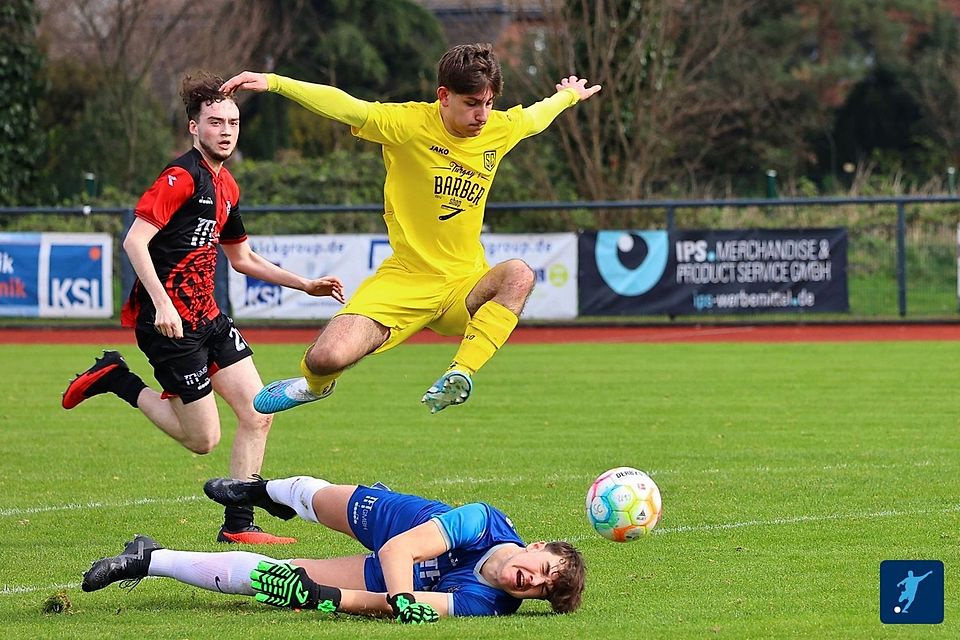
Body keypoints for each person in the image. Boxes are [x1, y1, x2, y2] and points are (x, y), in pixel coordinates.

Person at [218, 43, 601, 415]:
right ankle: (313, 387)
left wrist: (567, 96)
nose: (482, 115)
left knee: (519, 273)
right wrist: (276, 82)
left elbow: (536, 116)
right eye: (472, 104)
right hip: (405, 280)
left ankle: (460, 373)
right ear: (444, 96)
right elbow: (346, 106)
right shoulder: (407, 124)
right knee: (325, 357)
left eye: (488, 103)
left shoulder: (498, 129)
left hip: (463, 285)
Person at [62, 72, 345, 545]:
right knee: (203, 441)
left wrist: (305, 285)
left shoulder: (227, 186)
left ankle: (238, 525)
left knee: (258, 413)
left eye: (233, 122)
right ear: (194, 127)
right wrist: (162, 304)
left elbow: (242, 258)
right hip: (168, 326)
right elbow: (135, 241)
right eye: (215, 122)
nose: (226, 131)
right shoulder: (179, 177)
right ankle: (117, 378)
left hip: (209, 319)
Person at [81, 474, 586, 620]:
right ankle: (262, 491)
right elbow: (397, 557)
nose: (533, 581)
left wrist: (320, 596)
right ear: (535, 545)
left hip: (404, 580)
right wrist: (402, 603)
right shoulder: (483, 521)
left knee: (276, 575)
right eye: (542, 568)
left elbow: (393, 605)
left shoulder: (491, 607)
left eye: (542, 590)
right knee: (319, 501)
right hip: (410, 526)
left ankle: (147, 559)